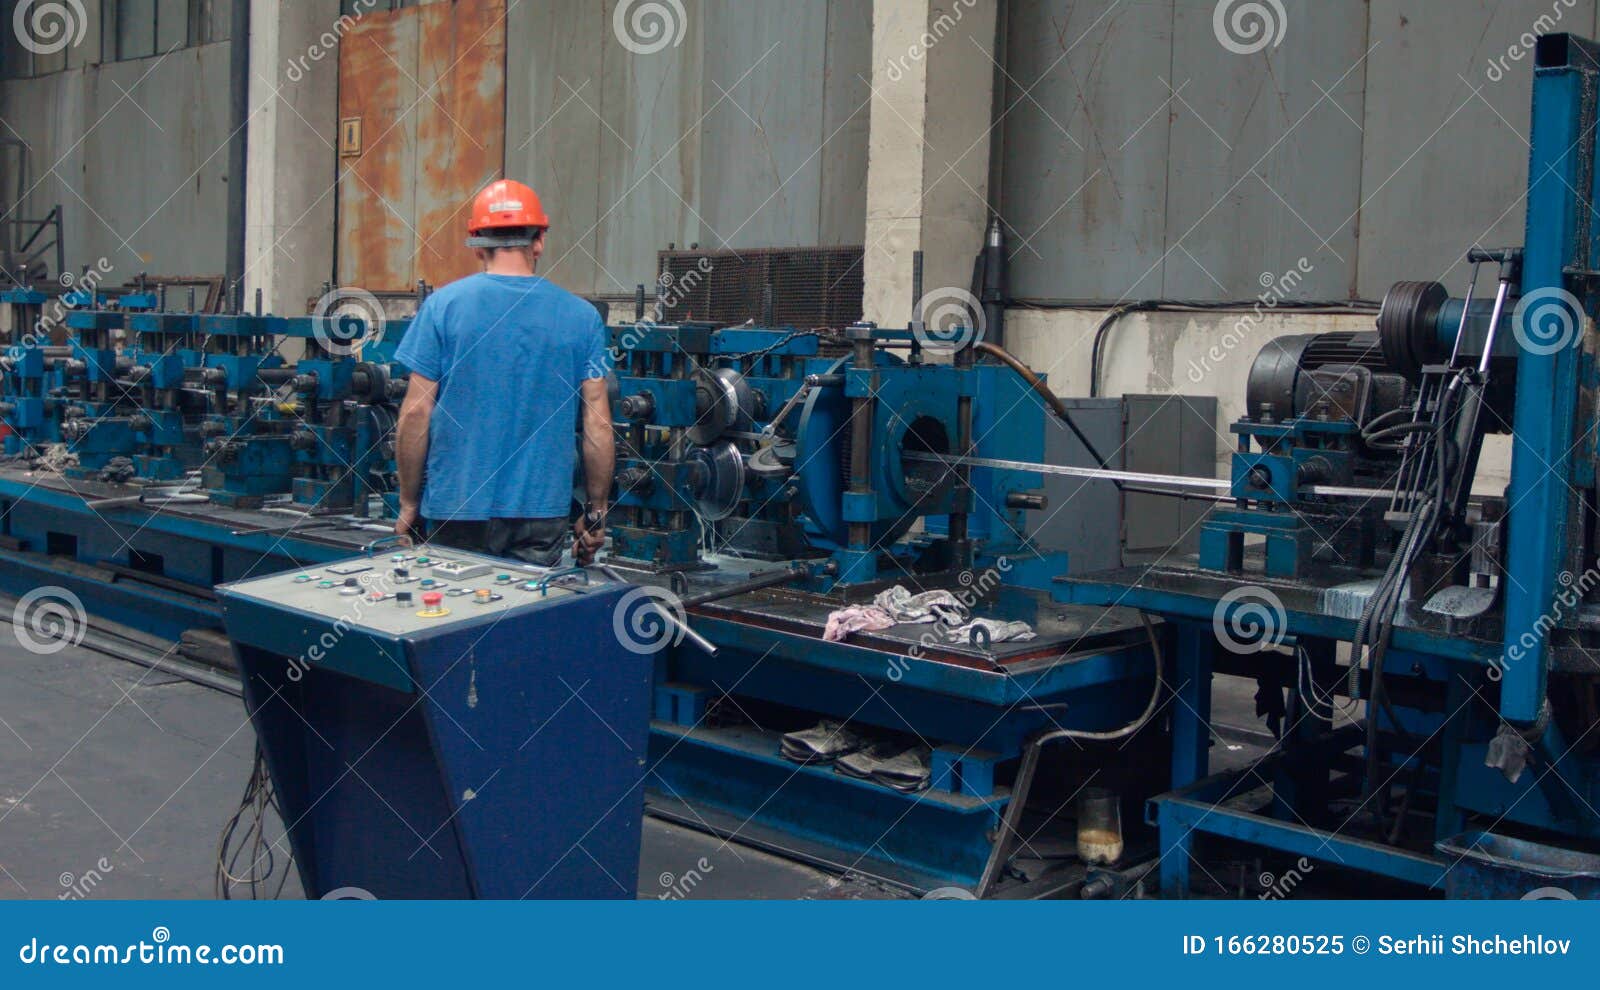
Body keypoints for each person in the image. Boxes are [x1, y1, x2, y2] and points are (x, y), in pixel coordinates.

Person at [392, 179, 613, 566]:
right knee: (524, 620)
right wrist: (596, 510)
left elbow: (414, 414)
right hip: (540, 513)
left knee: (453, 619)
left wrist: (409, 502)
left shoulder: (443, 308)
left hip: (455, 508)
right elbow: (597, 424)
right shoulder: (582, 318)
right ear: (539, 240)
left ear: (478, 244)